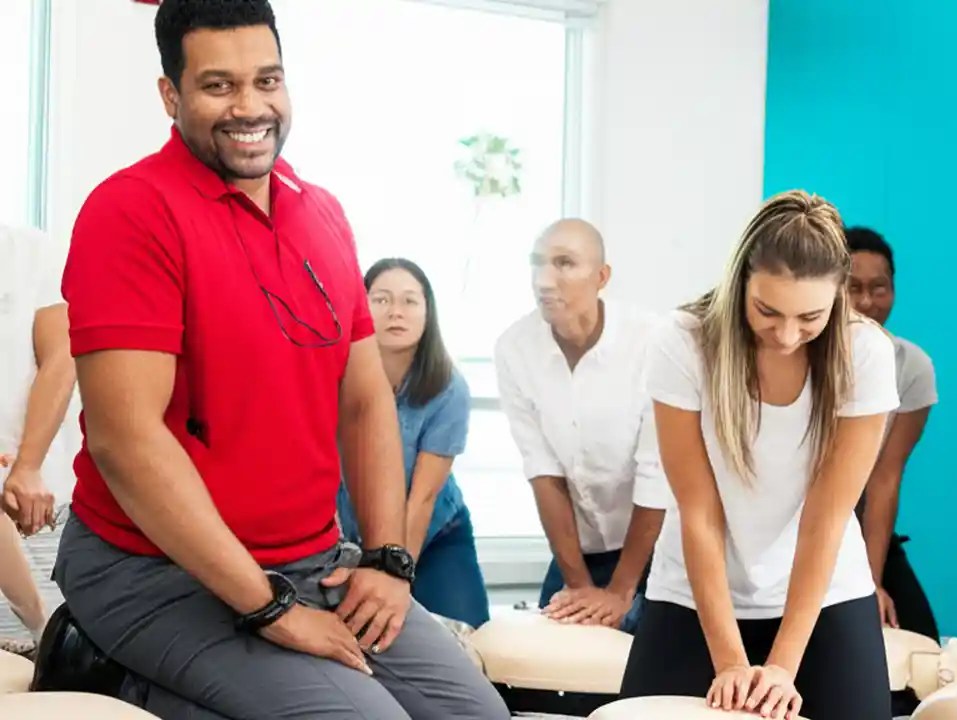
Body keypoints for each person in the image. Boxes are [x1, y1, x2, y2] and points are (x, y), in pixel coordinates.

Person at [51, 1, 508, 717]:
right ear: (170, 95)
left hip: (311, 561)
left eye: (266, 80)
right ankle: (118, 675)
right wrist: (268, 608)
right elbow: (126, 441)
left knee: (476, 713)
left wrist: (386, 559)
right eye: (219, 85)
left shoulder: (320, 211)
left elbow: (363, 400)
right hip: (151, 568)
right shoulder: (131, 211)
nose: (250, 107)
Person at [619, 191, 899, 720]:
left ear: (839, 294)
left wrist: (781, 668)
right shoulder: (684, 342)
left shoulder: (866, 353)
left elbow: (826, 518)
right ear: (740, 280)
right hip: (693, 591)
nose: (787, 335)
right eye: (767, 311)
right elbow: (699, 511)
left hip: (825, 591)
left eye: (810, 317)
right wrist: (730, 664)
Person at [494, 218, 668, 634]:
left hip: (658, 548)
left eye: (564, 263)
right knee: (553, 645)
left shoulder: (652, 341)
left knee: (637, 645)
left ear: (601, 277)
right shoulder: (514, 348)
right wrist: (578, 586)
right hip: (580, 551)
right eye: (537, 263)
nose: (544, 279)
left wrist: (620, 592)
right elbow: (543, 472)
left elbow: (656, 475)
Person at [337, 257, 490, 629]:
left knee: (464, 637)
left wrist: (395, 575)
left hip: (433, 532)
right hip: (343, 536)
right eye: (381, 299)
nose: (396, 312)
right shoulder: (331, 377)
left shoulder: (449, 388)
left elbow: (422, 499)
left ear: (427, 312)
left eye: (409, 301)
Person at [843, 226, 940, 642]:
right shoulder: (800, 357)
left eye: (878, 288)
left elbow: (885, 478)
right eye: (852, 288)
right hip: (796, 530)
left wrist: (871, 580)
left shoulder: (912, 367)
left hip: (861, 527)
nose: (867, 302)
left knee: (919, 637)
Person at [0, 223, 78, 649]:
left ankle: (43, 640)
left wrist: (28, 464)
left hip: (41, 507)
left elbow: (62, 357)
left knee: (56, 650)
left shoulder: (30, 252)